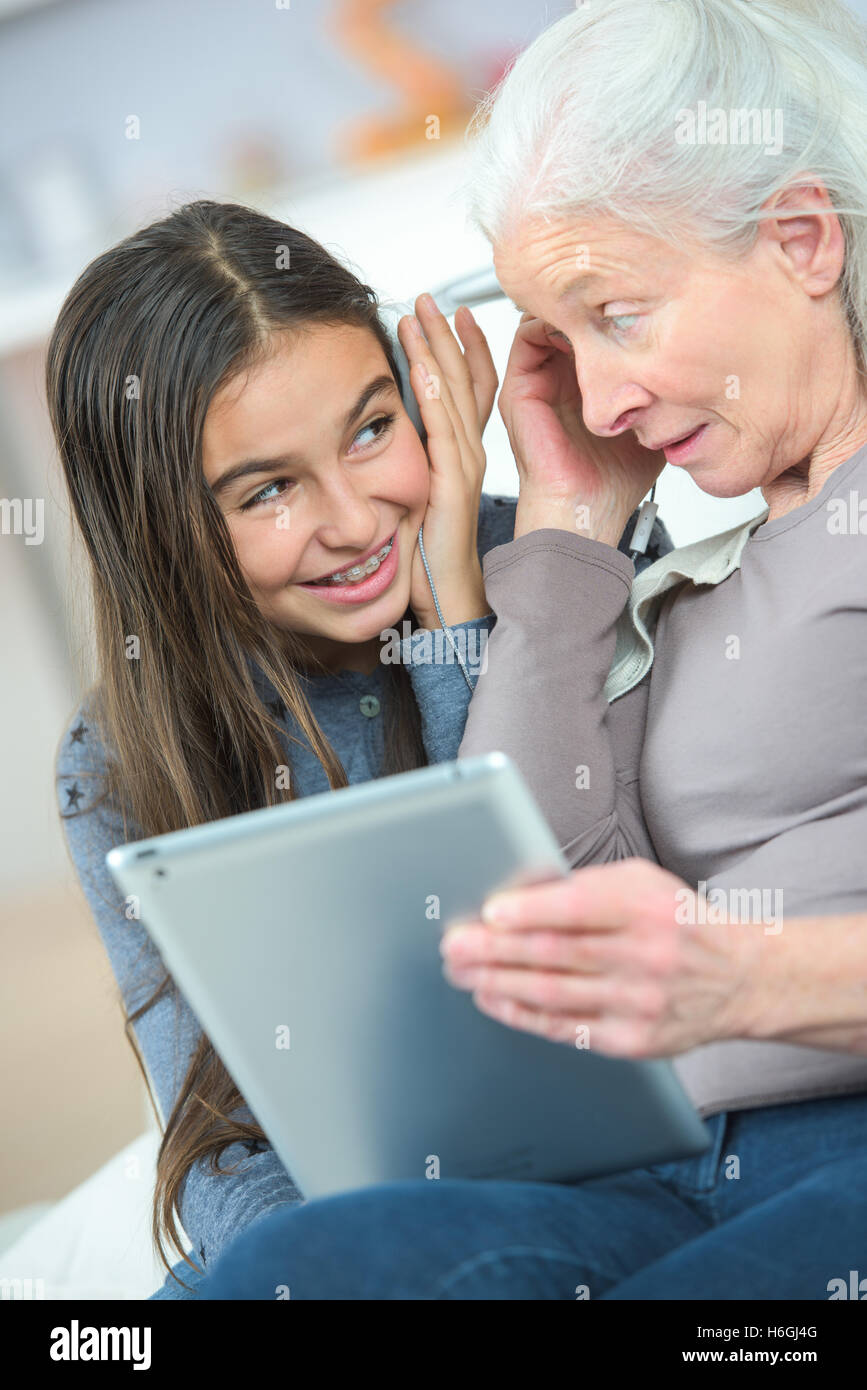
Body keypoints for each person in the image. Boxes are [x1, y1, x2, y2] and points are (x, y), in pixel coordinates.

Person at [195, 0, 867, 1299]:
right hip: (656, 1155)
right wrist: (569, 517)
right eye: (565, 342)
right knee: (295, 1265)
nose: (602, 395)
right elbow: (546, 873)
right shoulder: (685, 548)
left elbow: (707, 971)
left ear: (800, 240)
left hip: (835, 1131)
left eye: (621, 312)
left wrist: (746, 978)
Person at [49, 198, 669, 1298]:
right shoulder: (117, 757)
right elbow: (214, 1138)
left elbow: (555, 933)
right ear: (161, 529)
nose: (355, 519)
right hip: (347, 1233)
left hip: (615, 1171)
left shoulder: (572, 553)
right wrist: (318, 1264)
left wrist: (455, 614)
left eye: (373, 428)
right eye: (269, 490)